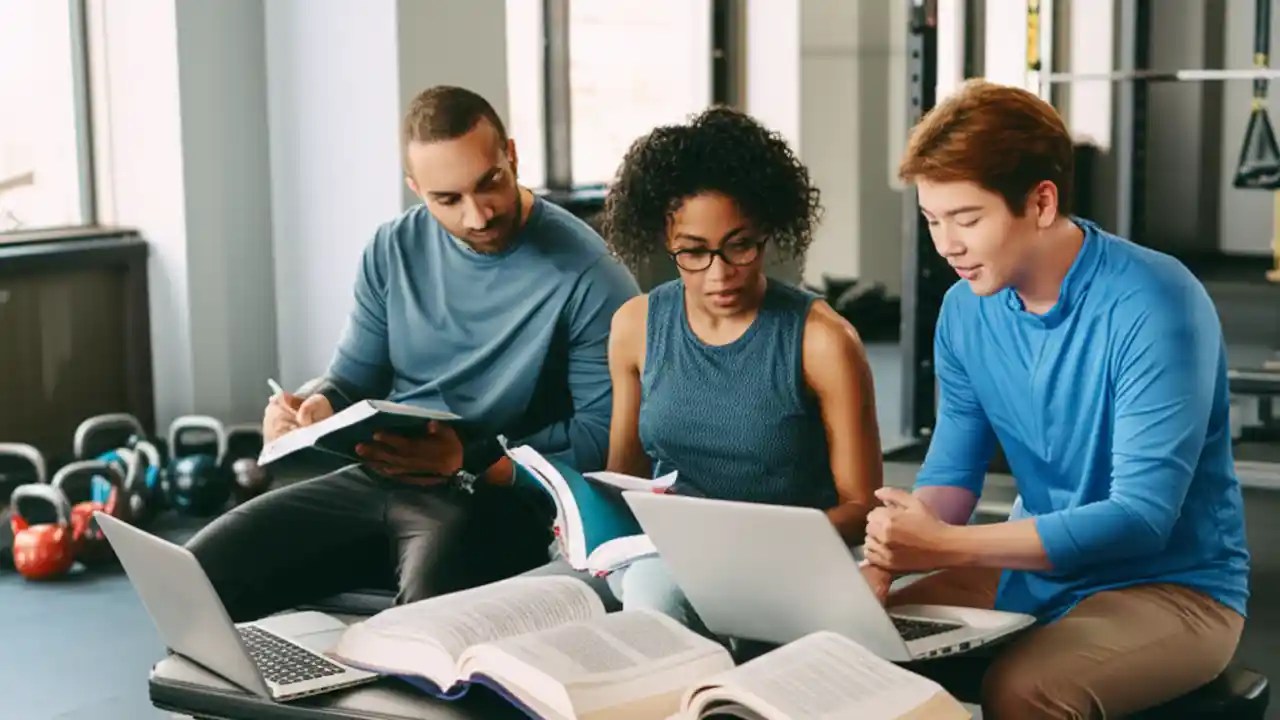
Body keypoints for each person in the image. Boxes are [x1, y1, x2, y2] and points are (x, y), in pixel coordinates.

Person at [862, 78, 1251, 718]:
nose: (946, 245)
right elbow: (953, 474)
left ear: (1041, 202)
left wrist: (944, 548)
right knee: (845, 638)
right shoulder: (964, 311)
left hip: (1175, 588)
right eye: (933, 220)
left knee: (1025, 692)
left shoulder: (1156, 302)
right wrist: (890, 553)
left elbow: (1140, 518)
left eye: (967, 218)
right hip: (1032, 568)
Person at [187, 86, 639, 621]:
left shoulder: (589, 275)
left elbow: (600, 444)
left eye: (489, 183)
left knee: (422, 621)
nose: (476, 216)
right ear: (416, 189)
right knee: (194, 578)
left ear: (511, 156)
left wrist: (469, 458)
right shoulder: (391, 248)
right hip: (386, 478)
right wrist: (310, 409)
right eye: (447, 200)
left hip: (496, 496)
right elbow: (351, 379)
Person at [599, 106, 885, 632]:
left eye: (740, 246)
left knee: (652, 591)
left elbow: (860, 507)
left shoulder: (823, 341)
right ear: (666, 240)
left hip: (794, 560)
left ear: (767, 232)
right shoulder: (635, 327)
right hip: (673, 554)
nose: (721, 273)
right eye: (694, 253)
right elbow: (625, 480)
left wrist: (749, 547)